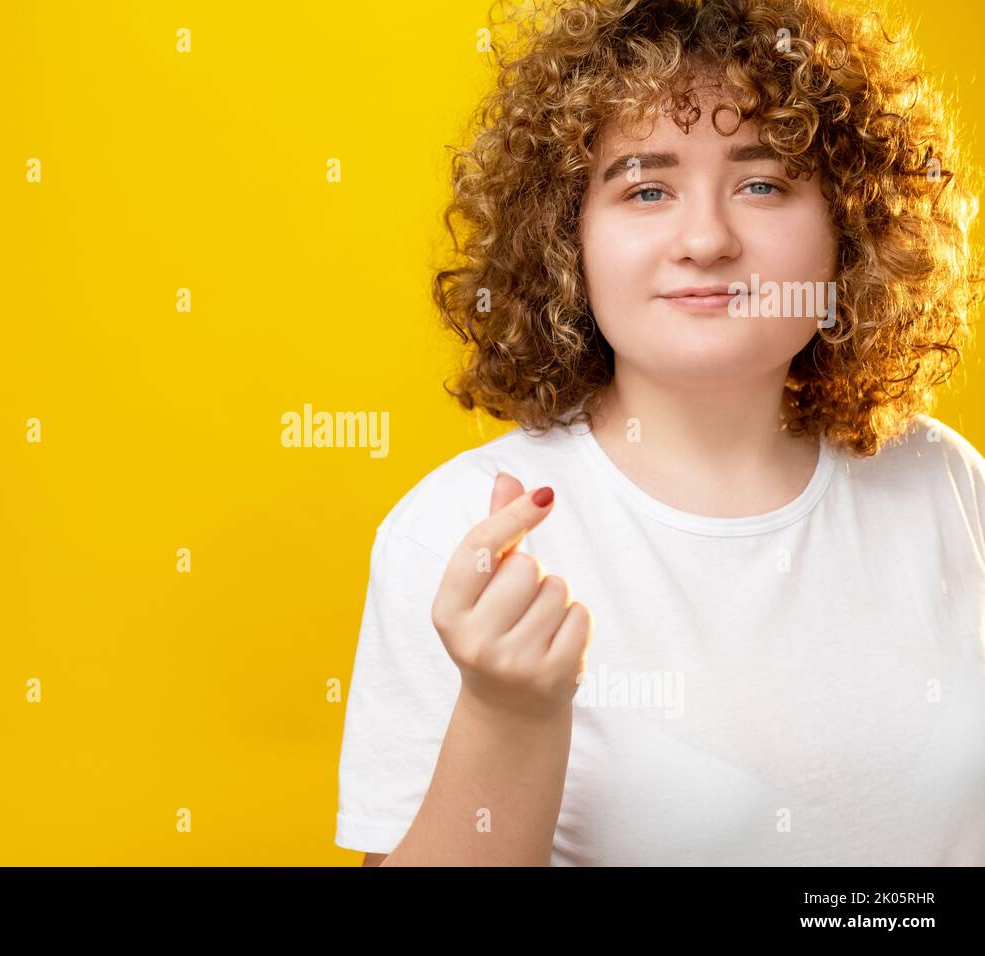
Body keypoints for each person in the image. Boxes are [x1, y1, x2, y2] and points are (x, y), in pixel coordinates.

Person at [335, 0, 985, 866]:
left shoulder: (945, 483)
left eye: (762, 183)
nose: (707, 239)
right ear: (568, 239)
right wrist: (507, 713)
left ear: (848, 228)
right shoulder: (455, 536)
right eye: (646, 189)